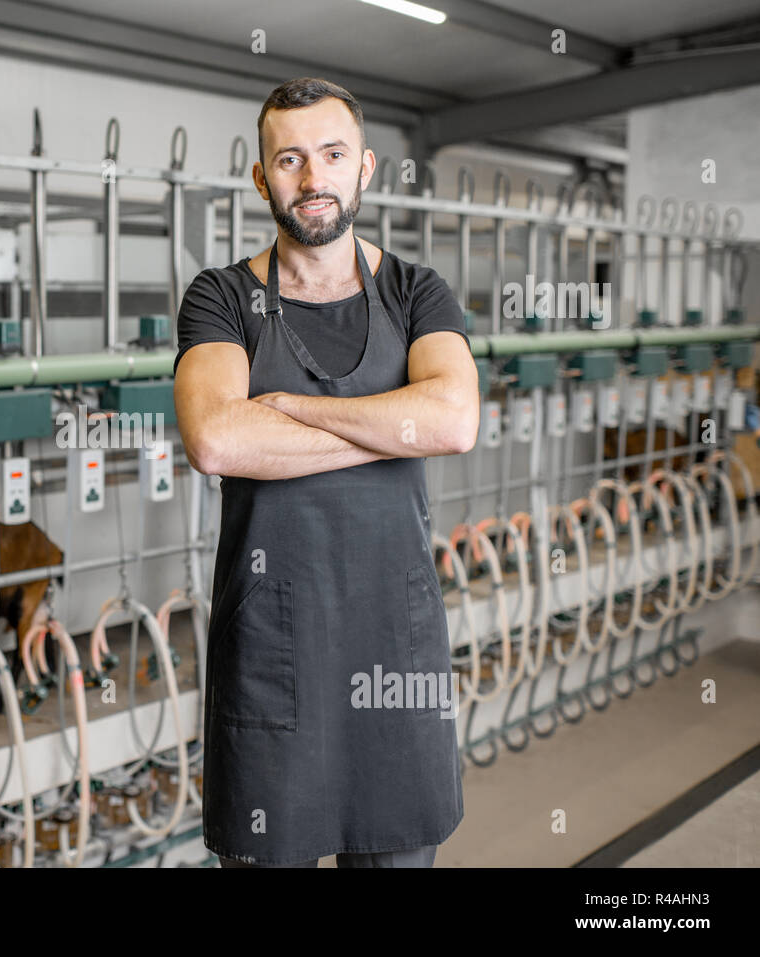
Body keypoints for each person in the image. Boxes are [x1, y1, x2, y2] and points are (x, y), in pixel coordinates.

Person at [173, 77, 479, 868]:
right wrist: (391, 425)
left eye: (333, 155)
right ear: (261, 177)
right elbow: (216, 441)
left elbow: (453, 419)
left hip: (396, 654)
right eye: (290, 159)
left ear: (366, 168)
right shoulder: (222, 298)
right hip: (275, 653)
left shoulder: (417, 292)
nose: (313, 179)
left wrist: (292, 410)